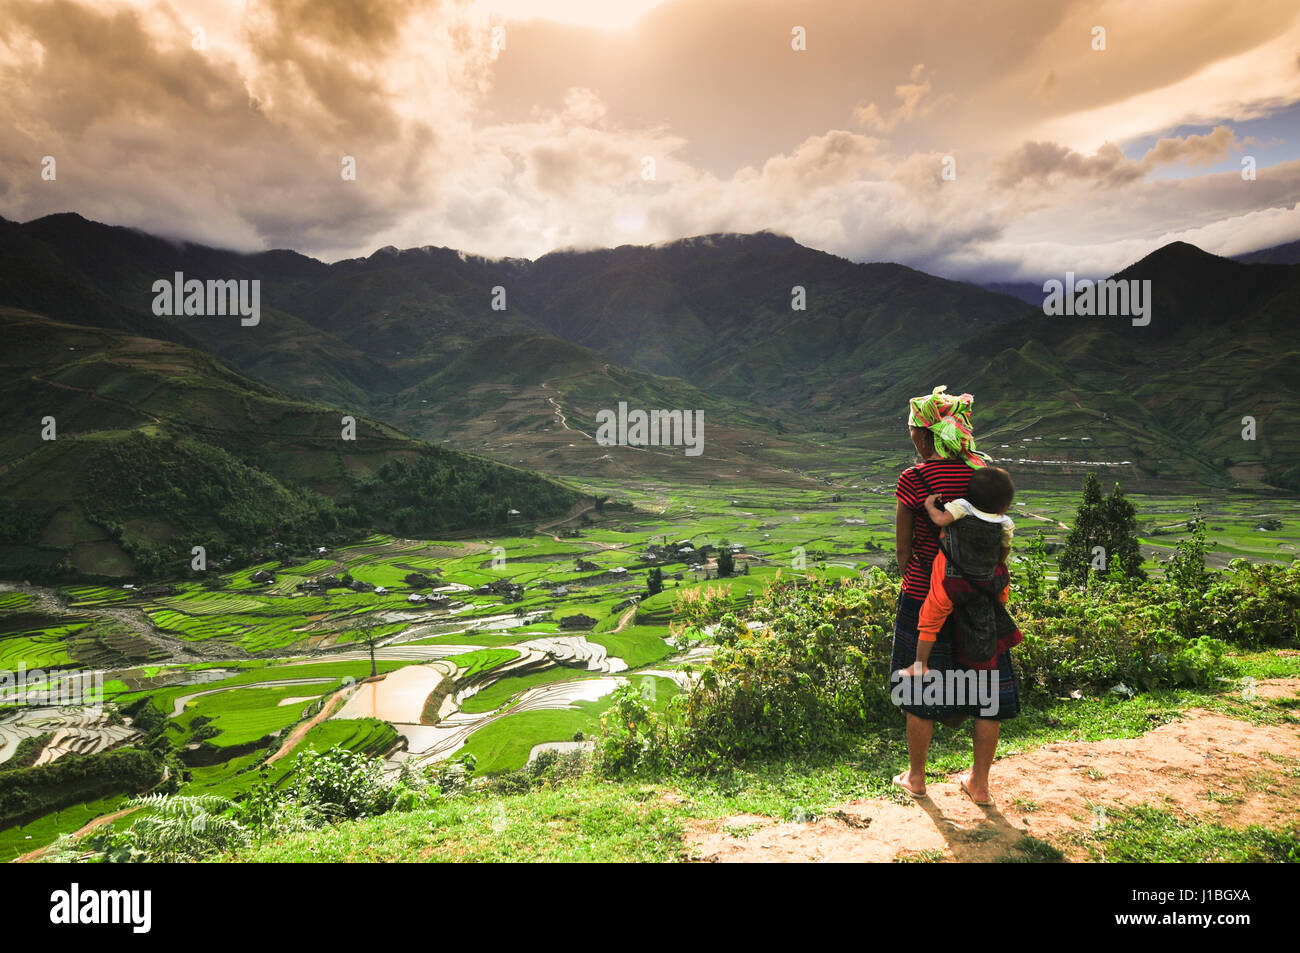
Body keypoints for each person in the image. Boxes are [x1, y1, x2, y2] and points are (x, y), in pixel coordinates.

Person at [890, 386, 1020, 806]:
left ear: (926, 435)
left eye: (913, 428)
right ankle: (979, 784)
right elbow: (999, 532)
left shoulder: (915, 478)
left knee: (920, 683)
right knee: (986, 686)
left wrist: (913, 582)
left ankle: (916, 777)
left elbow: (903, 548)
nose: (910, 434)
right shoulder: (983, 475)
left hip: (927, 592)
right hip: (981, 596)